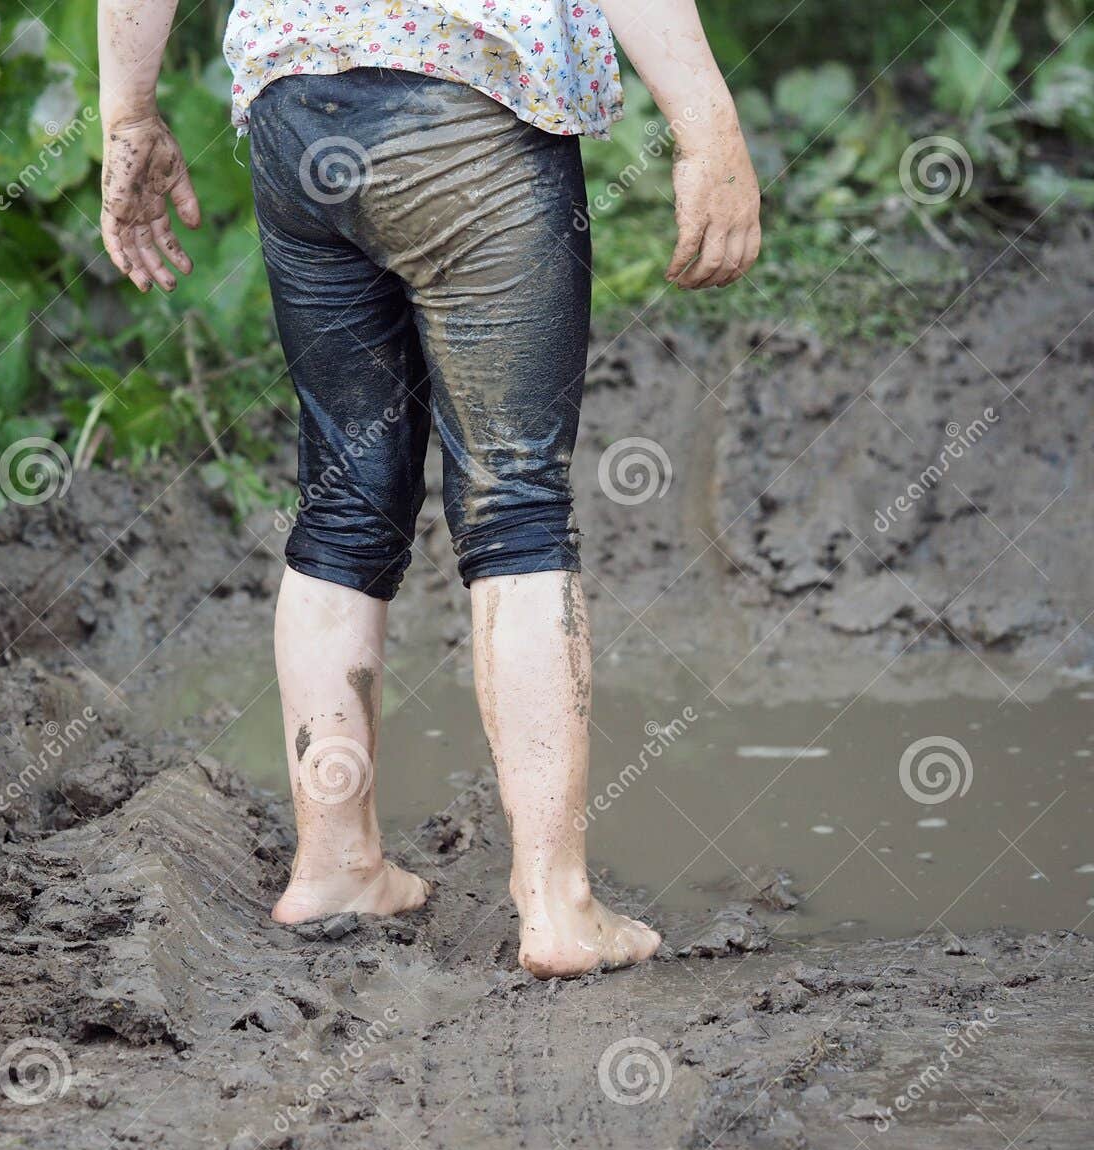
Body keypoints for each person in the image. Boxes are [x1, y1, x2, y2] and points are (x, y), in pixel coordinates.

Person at [97, 1, 761, 977]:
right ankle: (556, 905)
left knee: (343, 496)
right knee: (517, 500)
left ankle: (336, 859)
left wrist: (129, 115)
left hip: (301, 113)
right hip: (469, 110)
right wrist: (706, 125)